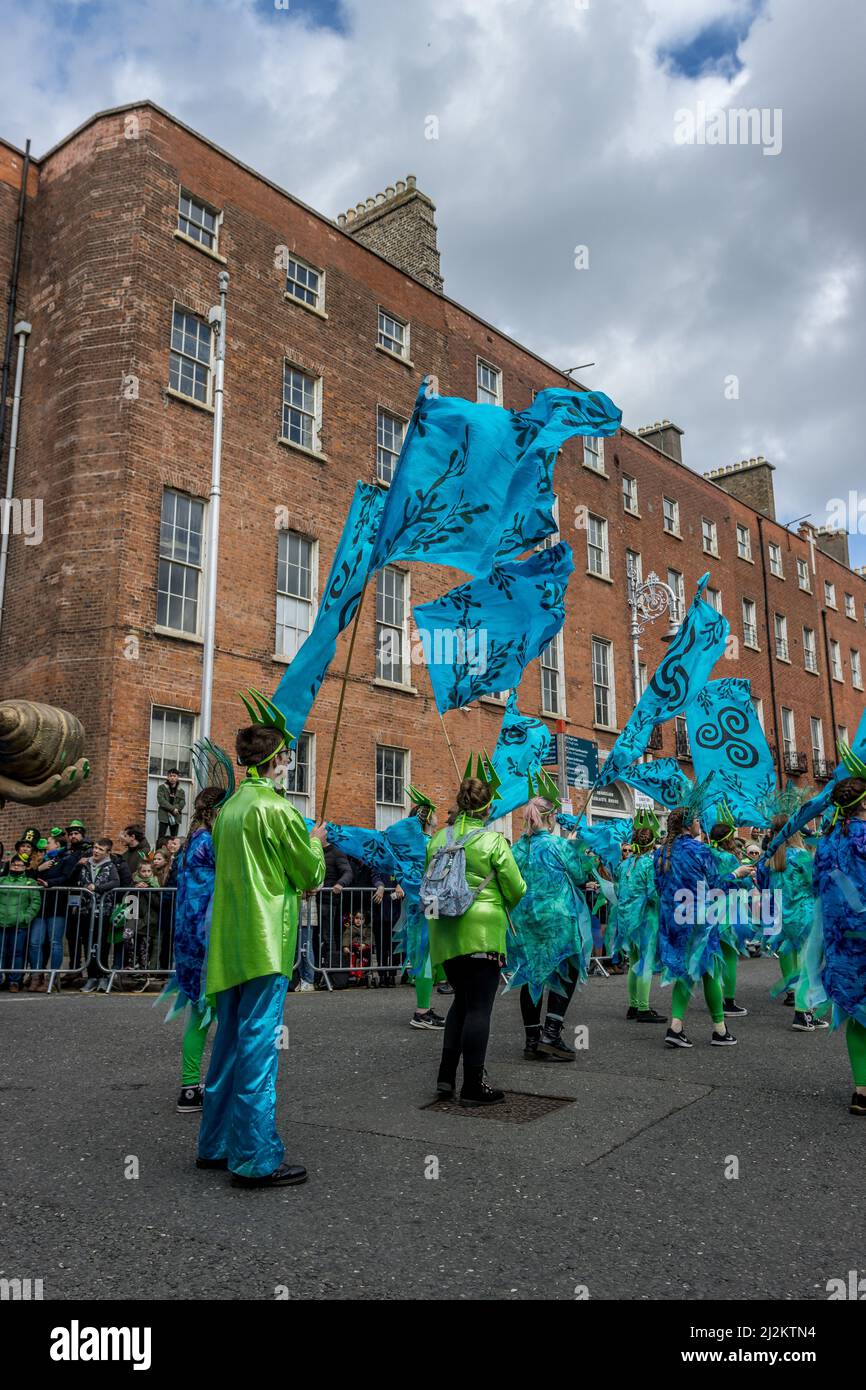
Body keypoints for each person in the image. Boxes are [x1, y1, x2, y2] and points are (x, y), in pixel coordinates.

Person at [197, 691, 326, 1188]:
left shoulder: (229, 809)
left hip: (229, 940)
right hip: (267, 939)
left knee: (228, 1038)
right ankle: (253, 1156)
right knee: (257, 1045)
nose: (291, 764)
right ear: (277, 761)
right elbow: (310, 873)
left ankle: (215, 1142)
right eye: (288, 756)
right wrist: (315, 842)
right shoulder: (278, 809)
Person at [425, 758, 526, 1105]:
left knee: (460, 1004)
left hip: (444, 931)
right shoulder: (494, 842)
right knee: (480, 1007)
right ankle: (472, 1086)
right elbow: (517, 887)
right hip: (482, 932)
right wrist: (501, 903)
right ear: (487, 807)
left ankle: (444, 1078)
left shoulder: (438, 838)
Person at [507, 776, 596, 1061]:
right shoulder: (558, 845)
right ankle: (551, 1032)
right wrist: (579, 850)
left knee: (530, 977)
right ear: (551, 817)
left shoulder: (516, 849)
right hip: (558, 919)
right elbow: (582, 875)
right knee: (566, 970)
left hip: (526, 921)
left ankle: (532, 1041)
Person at [654, 805, 752, 1049]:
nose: (700, 823)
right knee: (709, 971)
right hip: (700, 919)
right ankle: (719, 1030)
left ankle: (676, 1026)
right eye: (697, 819)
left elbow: (659, 887)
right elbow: (717, 885)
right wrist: (738, 874)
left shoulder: (661, 853)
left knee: (685, 972)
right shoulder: (700, 850)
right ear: (689, 825)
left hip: (674, 918)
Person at [163, 785, 226, 1113]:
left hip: (188, 934)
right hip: (209, 934)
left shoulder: (189, 844)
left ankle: (190, 1087)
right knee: (222, 1012)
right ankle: (219, 1085)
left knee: (198, 1013)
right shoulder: (212, 842)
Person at [810, 771, 866, 1113]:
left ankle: (862, 1090)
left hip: (841, 939)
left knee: (858, 1011)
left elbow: (817, 886)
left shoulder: (827, 842)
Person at [758, 813, 825, 1031]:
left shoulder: (771, 858)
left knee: (797, 960)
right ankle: (801, 1013)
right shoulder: (800, 856)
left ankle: (807, 1011)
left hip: (783, 915)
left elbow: (762, 884)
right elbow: (816, 883)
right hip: (804, 914)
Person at [612, 812, 667, 1024]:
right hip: (645, 919)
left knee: (634, 961)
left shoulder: (624, 864)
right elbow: (653, 894)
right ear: (652, 844)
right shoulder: (648, 864)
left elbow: (618, 891)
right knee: (644, 962)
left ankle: (633, 1005)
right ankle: (643, 1008)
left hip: (627, 919)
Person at [707, 816, 753, 1019]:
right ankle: (729, 1001)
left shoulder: (706, 854)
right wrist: (748, 877)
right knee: (730, 955)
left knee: (714, 955)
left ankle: (715, 997)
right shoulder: (730, 859)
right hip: (729, 907)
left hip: (709, 907)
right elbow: (743, 884)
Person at [76, 840, 121, 993]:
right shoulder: (84, 864)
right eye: (95, 848)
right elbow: (74, 879)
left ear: (107, 852)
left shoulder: (110, 866)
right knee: (88, 943)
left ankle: (102, 976)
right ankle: (91, 977)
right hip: (86, 910)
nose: (96, 851)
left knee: (101, 944)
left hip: (103, 910)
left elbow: (116, 882)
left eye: (100, 849)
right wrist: (77, 865)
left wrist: (98, 888)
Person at [0, 856, 42, 991]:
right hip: (1, 922)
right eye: (14, 865)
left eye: (20, 865)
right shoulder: (1, 880)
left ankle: (15, 981)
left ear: (25, 867)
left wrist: (26, 917)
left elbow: (35, 902)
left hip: (20, 923)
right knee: (1, 952)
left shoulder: (30, 882)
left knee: (17, 953)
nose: (16, 867)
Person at [157, 769, 186, 842]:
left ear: (177, 777)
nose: (172, 778)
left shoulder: (181, 791)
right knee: (161, 837)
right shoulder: (162, 788)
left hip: (175, 816)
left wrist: (176, 809)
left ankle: (173, 853)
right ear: (167, 777)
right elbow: (161, 801)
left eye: (174, 776)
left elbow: (182, 803)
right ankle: (158, 852)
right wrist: (173, 809)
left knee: (174, 838)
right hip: (164, 816)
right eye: (170, 776)